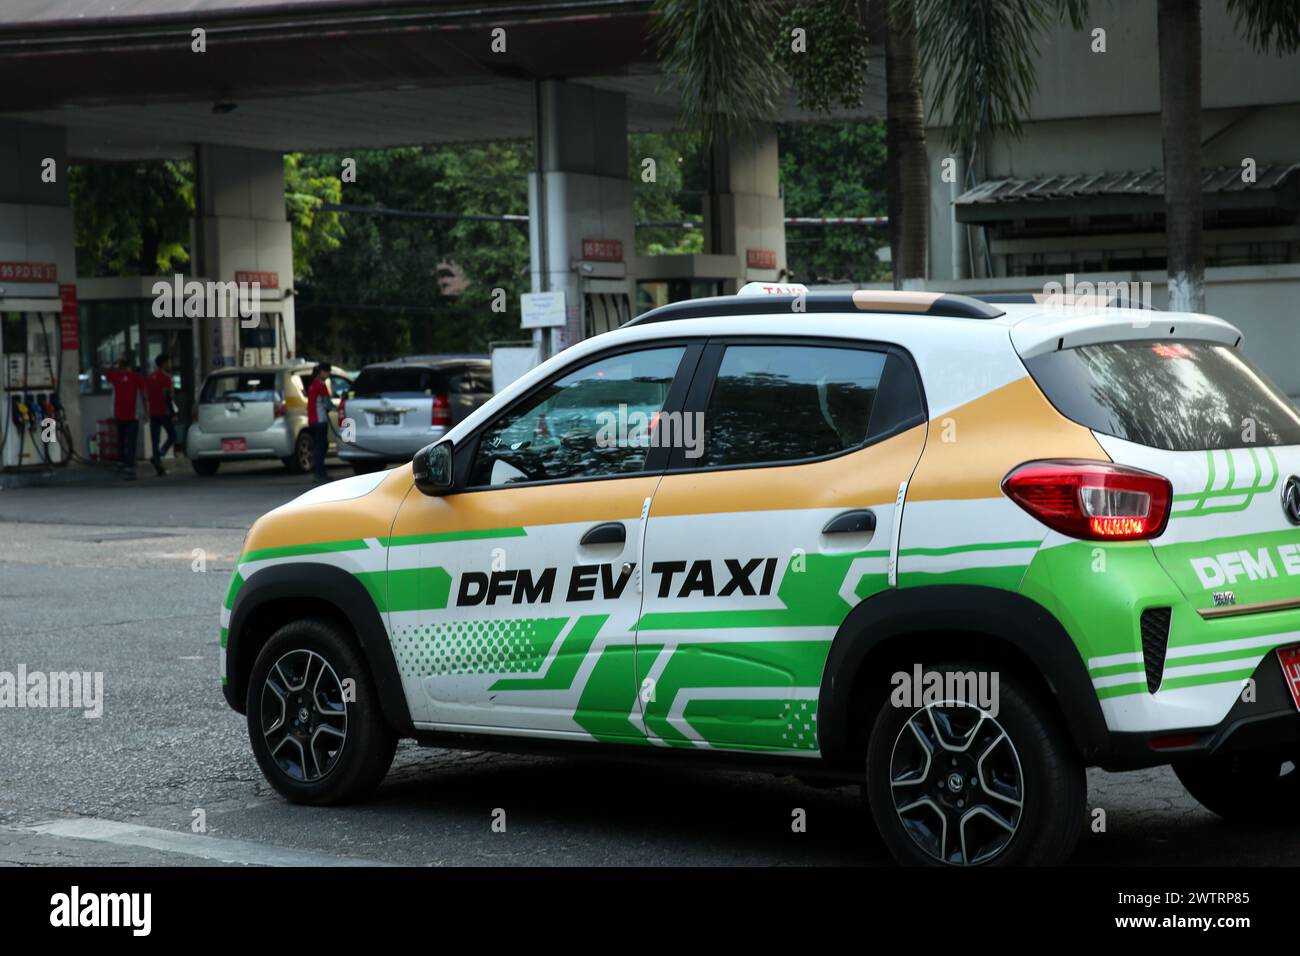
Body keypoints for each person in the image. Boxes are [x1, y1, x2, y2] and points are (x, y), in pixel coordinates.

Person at [104, 356, 146, 480]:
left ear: (120, 367)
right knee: (132, 440)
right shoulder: (137, 377)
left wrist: (114, 363)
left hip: (119, 414)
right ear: (129, 367)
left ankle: (121, 461)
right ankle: (129, 463)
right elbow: (143, 394)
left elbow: (107, 374)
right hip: (133, 414)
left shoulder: (115, 376)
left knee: (121, 439)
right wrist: (146, 411)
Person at [146, 353, 177, 476]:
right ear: (164, 363)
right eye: (169, 362)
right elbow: (168, 397)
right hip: (164, 412)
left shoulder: (150, 378)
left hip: (153, 412)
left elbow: (147, 395)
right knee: (173, 435)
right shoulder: (166, 378)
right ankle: (161, 453)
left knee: (155, 439)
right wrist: (173, 413)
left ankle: (158, 465)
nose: (170, 364)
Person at [305, 362, 332, 482]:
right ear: (322, 372)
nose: (328, 374)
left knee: (320, 445)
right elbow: (327, 404)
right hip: (320, 420)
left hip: (312, 420)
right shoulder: (321, 385)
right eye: (327, 372)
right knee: (321, 446)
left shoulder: (312, 384)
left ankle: (319, 470)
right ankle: (319, 472)